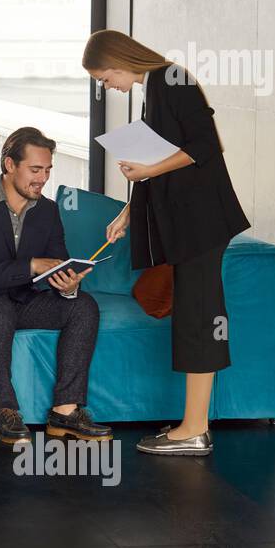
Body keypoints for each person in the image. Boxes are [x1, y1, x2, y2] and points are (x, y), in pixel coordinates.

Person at [83, 29, 251, 456]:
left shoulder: (172, 79)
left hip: (201, 223)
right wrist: (128, 212)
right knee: (195, 315)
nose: (107, 87)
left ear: (120, 61)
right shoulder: (156, 87)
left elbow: (207, 145)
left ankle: (194, 430)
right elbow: (157, 161)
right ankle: (192, 425)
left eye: (104, 78)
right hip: (191, 224)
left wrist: (149, 168)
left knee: (199, 316)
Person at [0, 127, 110, 446]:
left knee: (83, 305)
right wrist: (31, 266)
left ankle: (65, 412)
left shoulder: (48, 209)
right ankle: (5, 410)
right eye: (35, 169)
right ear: (9, 165)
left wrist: (67, 285)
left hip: (20, 300)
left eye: (47, 170)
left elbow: (58, 261)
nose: (43, 178)